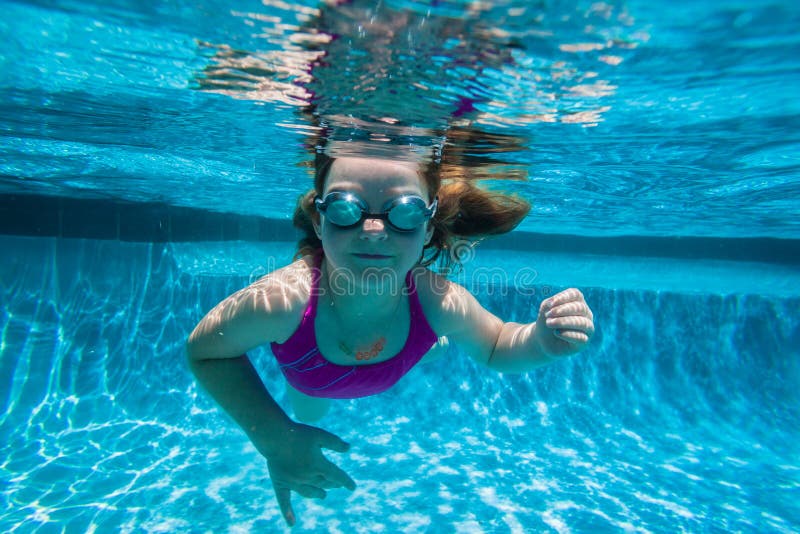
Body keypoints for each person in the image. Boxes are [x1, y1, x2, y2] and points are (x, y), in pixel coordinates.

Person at [186, 146, 595, 527]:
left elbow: (496, 343)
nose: (375, 229)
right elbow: (204, 351)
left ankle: (428, 347)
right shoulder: (280, 301)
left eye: (405, 213)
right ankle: (427, 347)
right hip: (313, 379)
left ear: (428, 226)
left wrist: (541, 341)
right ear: (319, 218)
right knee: (310, 413)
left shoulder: (439, 302)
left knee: (429, 344)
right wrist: (276, 437)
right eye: (346, 208)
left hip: (399, 352)